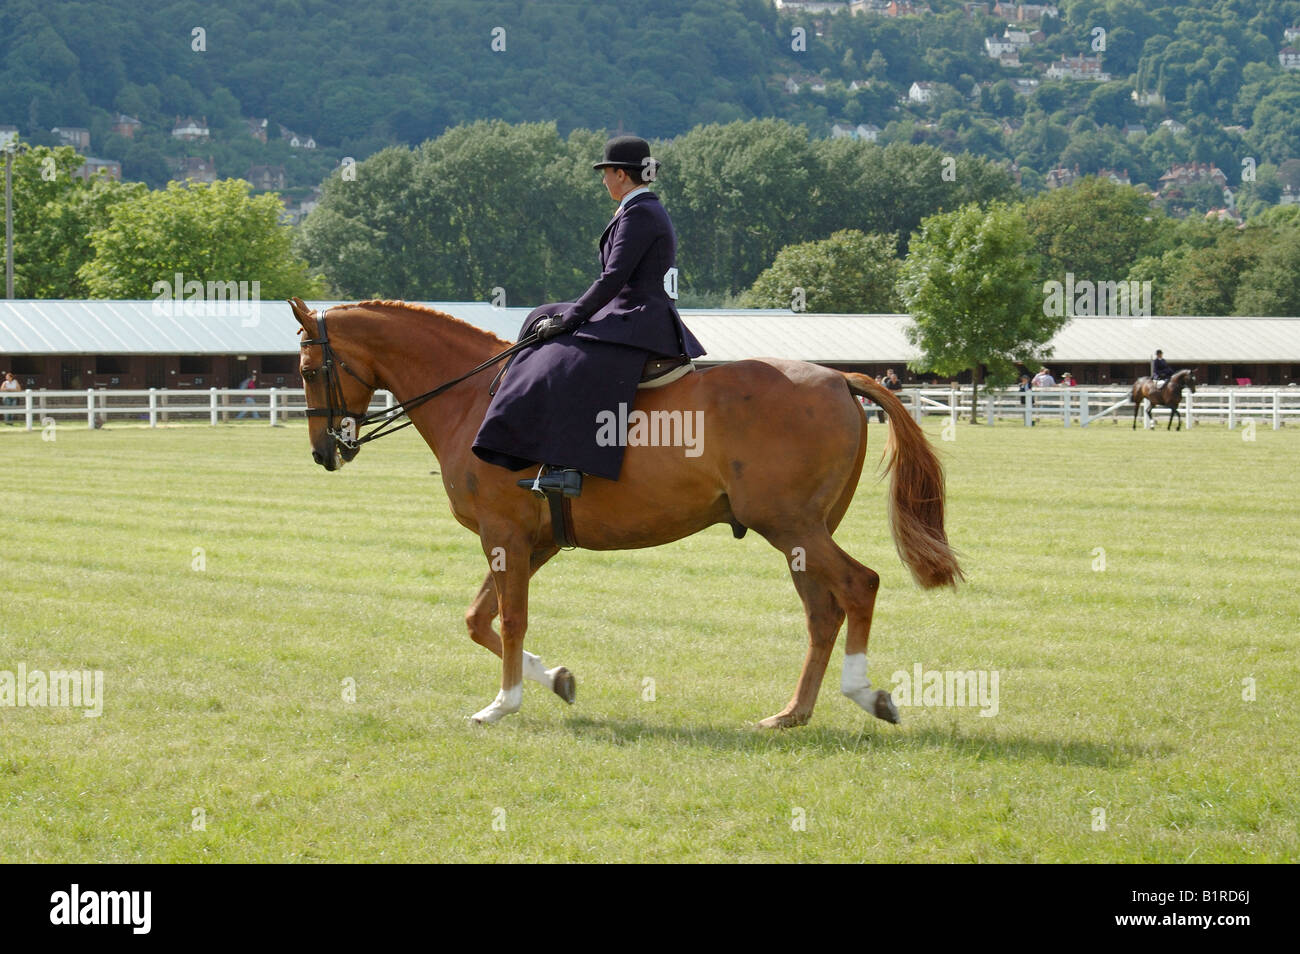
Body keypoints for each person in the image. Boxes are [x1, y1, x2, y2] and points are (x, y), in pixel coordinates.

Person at [472, 135, 705, 498]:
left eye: (605, 173)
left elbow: (613, 279)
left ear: (620, 175)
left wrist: (572, 320)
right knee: (542, 315)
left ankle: (568, 468)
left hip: (639, 318)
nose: (603, 181)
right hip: (629, 312)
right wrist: (563, 315)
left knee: (565, 360)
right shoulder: (636, 208)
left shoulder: (641, 213)